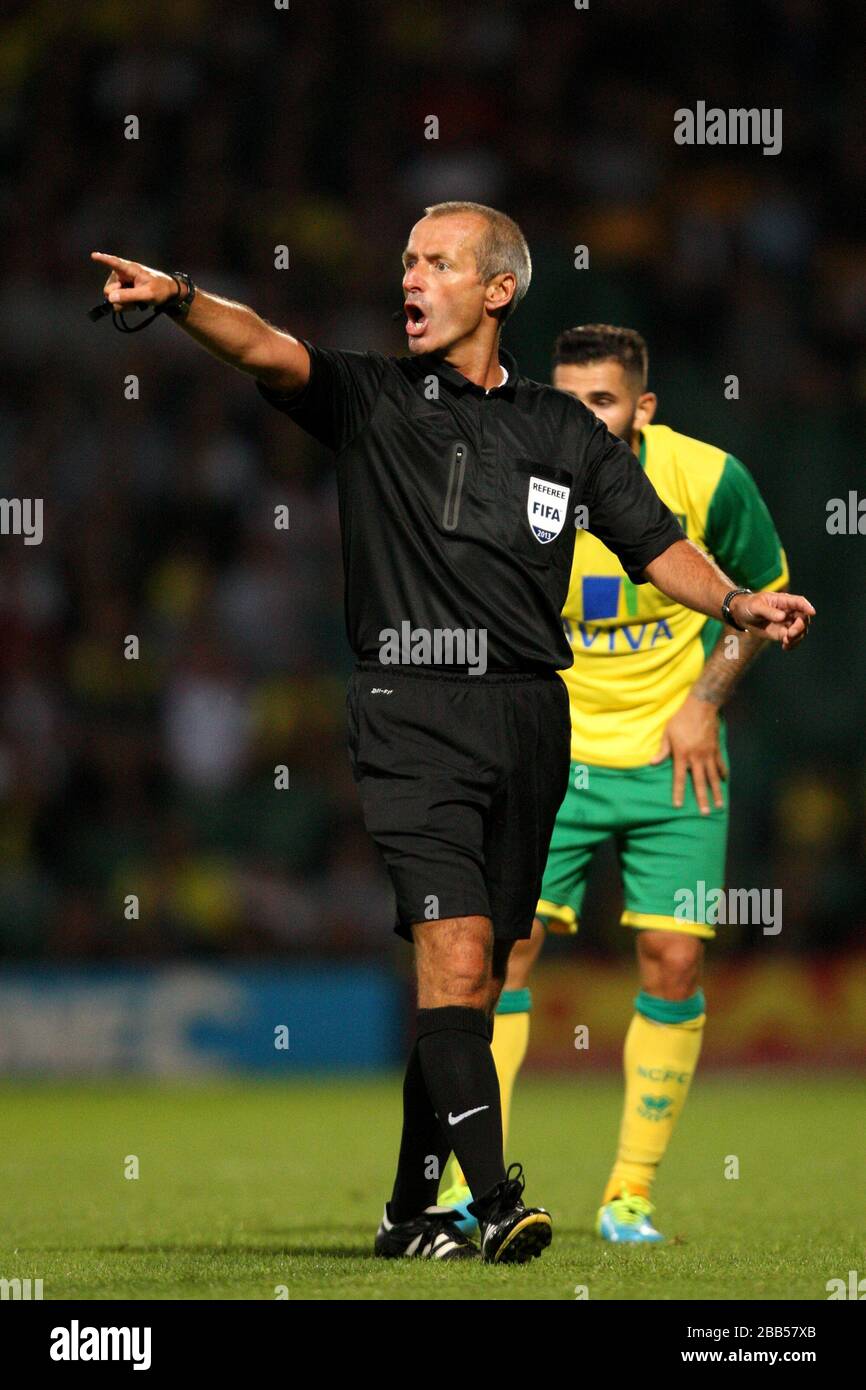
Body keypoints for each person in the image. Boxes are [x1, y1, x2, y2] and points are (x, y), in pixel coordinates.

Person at [91, 206, 813, 1264]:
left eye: (435, 262)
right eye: (405, 262)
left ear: (497, 290)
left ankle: (405, 1210)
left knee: (468, 986)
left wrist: (738, 602)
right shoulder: (372, 398)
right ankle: (495, 1199)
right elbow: (265, 344)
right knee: (458, 946)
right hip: (409, 709)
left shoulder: (562, 430)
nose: (411, 279)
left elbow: (658, 547)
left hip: (527, 716)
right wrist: (182, 299)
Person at [439, 323, 799, 1243]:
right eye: (565, 402)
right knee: (493, 961)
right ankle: (463, 1188)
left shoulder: (711, 480)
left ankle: (628, 1196)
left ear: (641, 408)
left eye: (599, 402)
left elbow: (764, 598)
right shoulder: (513, 474)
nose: (580, 420)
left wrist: (706, 702)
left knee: (675, 961)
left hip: (674, 757)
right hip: (548, 757)